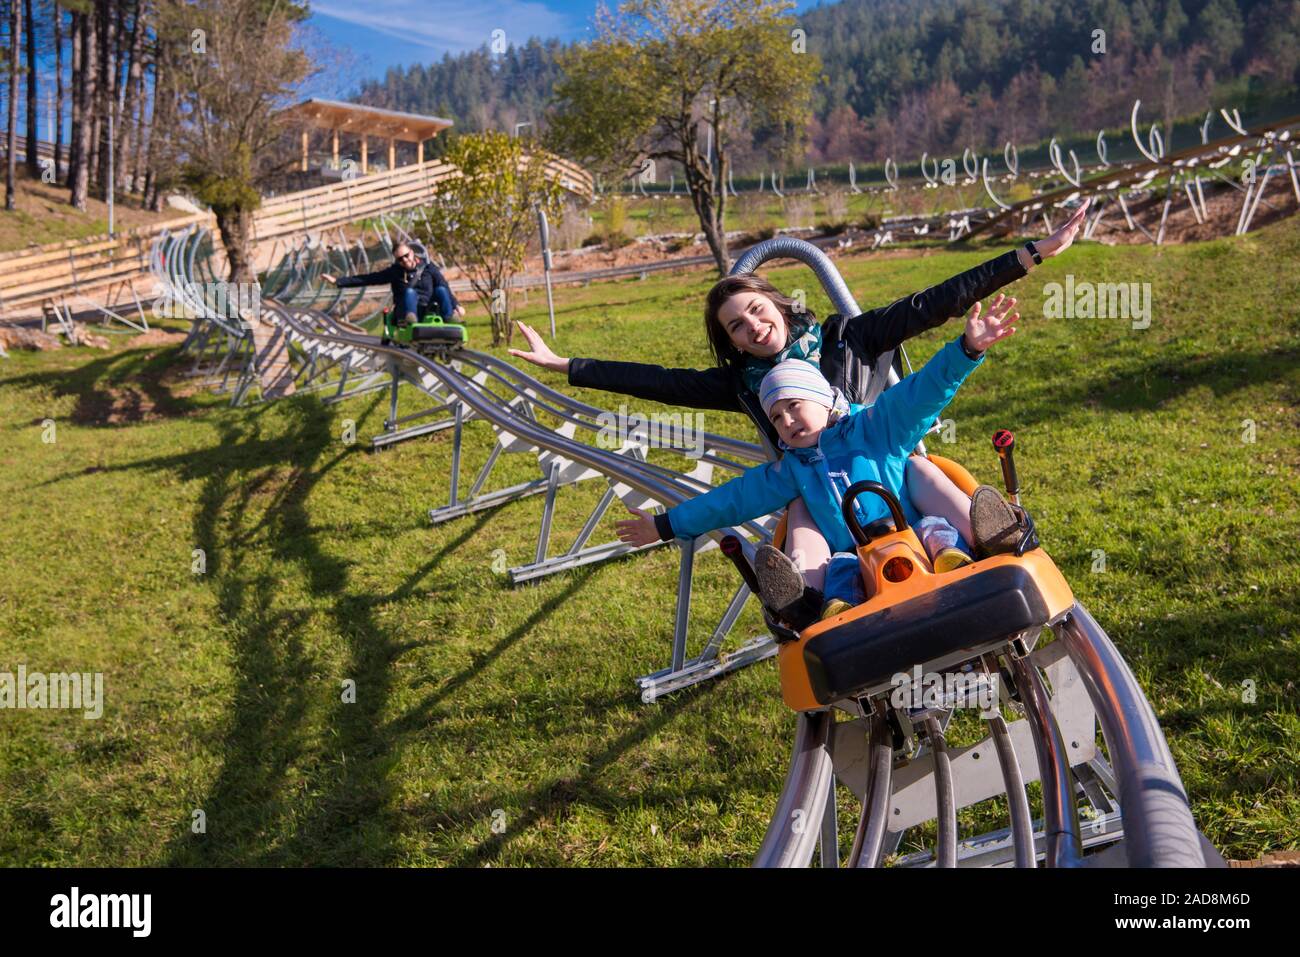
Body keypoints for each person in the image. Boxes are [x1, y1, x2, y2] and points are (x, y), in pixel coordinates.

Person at [510, 201, 1089, 597]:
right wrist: (568, 366)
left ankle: (987, 542)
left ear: (779, 305)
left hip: (883, 456)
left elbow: (934, 303)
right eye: (736, 327)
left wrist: (1030, 255)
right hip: (808, 483)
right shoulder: (741, 385)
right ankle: (810, 601)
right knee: (805, 525)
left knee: (929, 475)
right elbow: (656, 381)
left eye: (756, 312)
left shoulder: (849, 338)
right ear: (731, 342)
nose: (752, 329)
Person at [613, 297, 1024, 628]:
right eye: (775, 417)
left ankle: (979, 541)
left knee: (924, 483)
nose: (785, 421)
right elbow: (731, 501)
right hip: (855, 556)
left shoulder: (876, 428)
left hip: (916, 531)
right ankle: (807, 601)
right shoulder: (791, 470)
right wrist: (665, 525)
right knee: (831, 556)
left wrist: (968, 349)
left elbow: (923, 391)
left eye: (793, 406)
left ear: (825, 400)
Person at [322, 243, 466, 325]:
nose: (405, 260)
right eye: (400, 259)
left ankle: (450, 319)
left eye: (406, 256)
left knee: (440, 289)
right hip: (408, 309)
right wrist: (338, 281)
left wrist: (456, 305)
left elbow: (444, 286)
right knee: (409, 292)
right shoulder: (395, 272)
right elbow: (368, 279)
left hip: (428, 307)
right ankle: (411, 321)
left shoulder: (429, 268)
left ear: (412, 253)